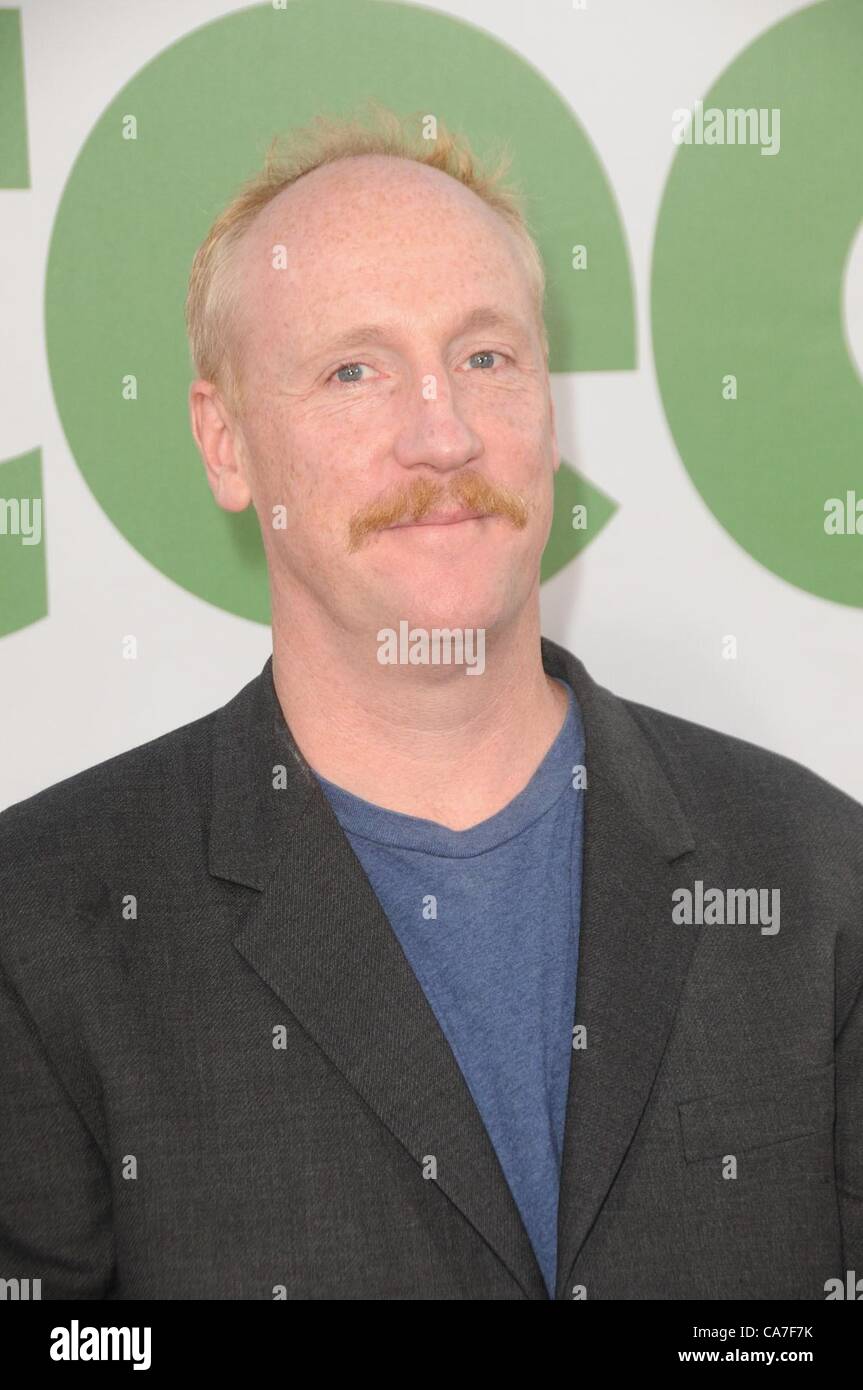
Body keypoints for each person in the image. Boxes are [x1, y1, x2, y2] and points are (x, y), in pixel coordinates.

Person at [1, 104, 861, 1301]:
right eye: (354, 369)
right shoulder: (39, 925)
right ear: (225, 442)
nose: (442, 433)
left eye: (484, 356)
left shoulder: (817, 872)